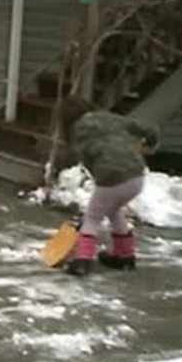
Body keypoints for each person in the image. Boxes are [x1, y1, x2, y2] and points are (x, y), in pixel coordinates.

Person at [52, 96, 160, 276]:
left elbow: (91, 162)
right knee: (114, 209)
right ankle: (124, 256)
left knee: (92, 218)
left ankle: (82, 261)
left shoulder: (77, 133)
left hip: (112, 178)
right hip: (137, 175)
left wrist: (101, 182)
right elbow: (151, 129)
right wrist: (149, 146)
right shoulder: (112, 118)